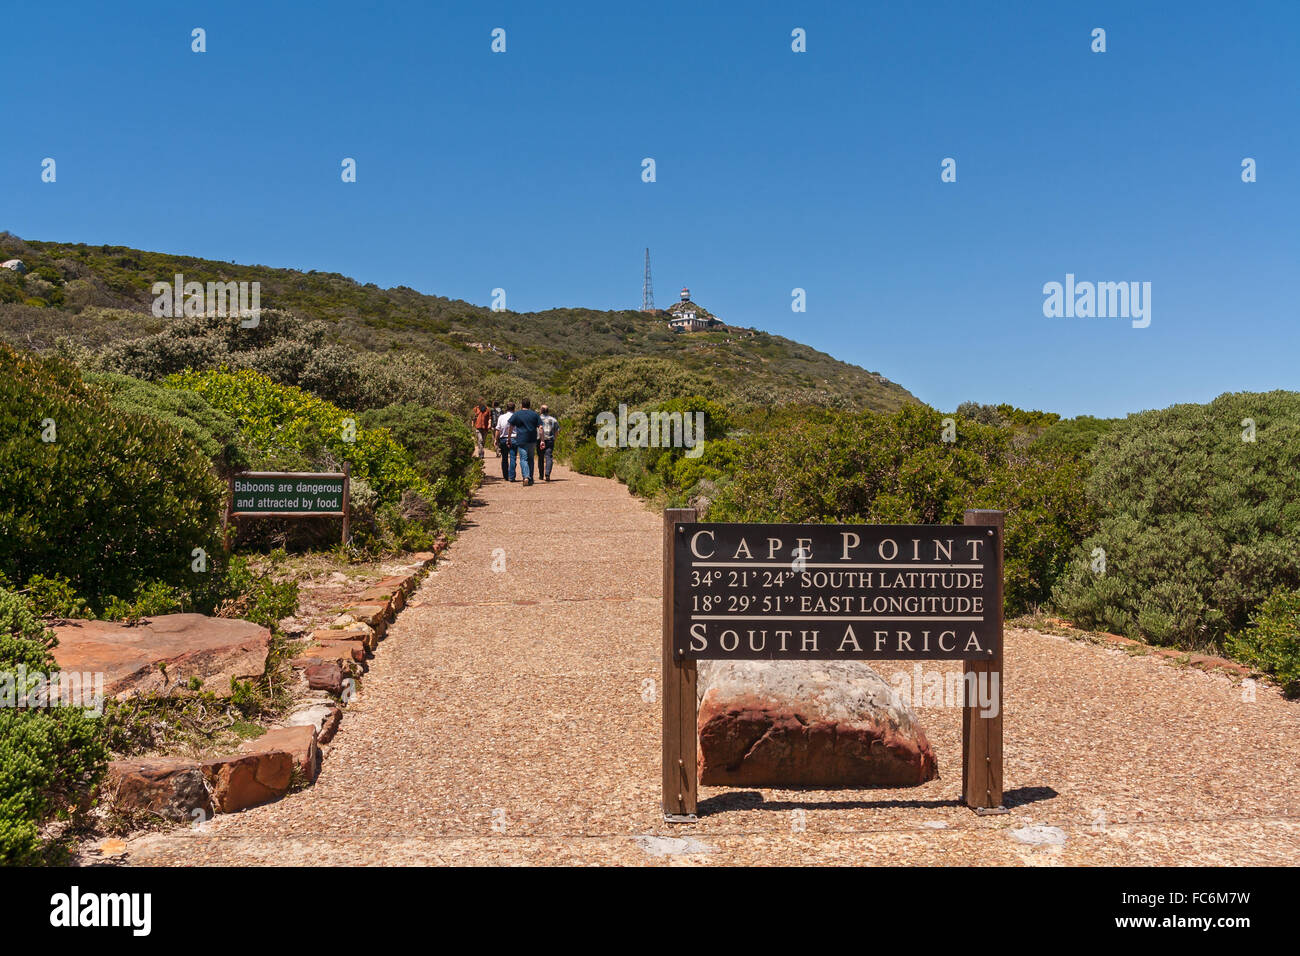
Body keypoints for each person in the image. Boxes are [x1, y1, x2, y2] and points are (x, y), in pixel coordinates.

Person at [509, 399, 542, 486]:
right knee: (531, 459)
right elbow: (541, 427)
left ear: (521, 405)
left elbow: (511, 426)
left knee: (523, 459)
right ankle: (530, 478)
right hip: (532, 440)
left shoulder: (517, 414)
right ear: (529, 405)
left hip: (521, 439)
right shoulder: (535, 414)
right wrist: (542, 440)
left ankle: (526, 477)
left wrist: (509, 438)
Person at [537, 404, 560, 481]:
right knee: (548, 456)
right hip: (550, 440)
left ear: (541, 410)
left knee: (540, 457)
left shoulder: (537, 419)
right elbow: (557, 430)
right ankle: (547, 474)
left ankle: (541, 475)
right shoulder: (553, 419)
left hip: (539, 440)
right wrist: (555, 439)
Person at [495, 401, 516, 480]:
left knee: (504, 458)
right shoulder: (516, 416)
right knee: (513, 457)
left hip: (503, 439)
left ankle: (505, 476)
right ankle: (512, 476)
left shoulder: (501, 417)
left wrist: (496, 440)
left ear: (506, 408)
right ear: (514, 408)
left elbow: (498, 429)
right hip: (514, 438)